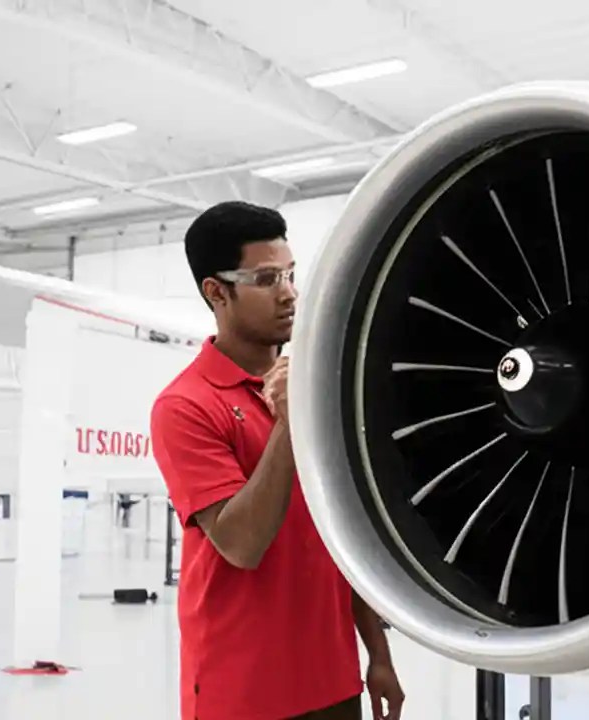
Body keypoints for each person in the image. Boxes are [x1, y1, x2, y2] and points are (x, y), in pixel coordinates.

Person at [150, 201, 404, 720]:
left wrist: (378, 655)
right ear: (216, 292)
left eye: (290, 274)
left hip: (333, 680)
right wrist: (291, 423)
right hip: (242, 690)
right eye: (266, 279)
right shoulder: (185, 406)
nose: (289, 292)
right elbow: (242, 544)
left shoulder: (315, 393)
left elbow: (341, 541)